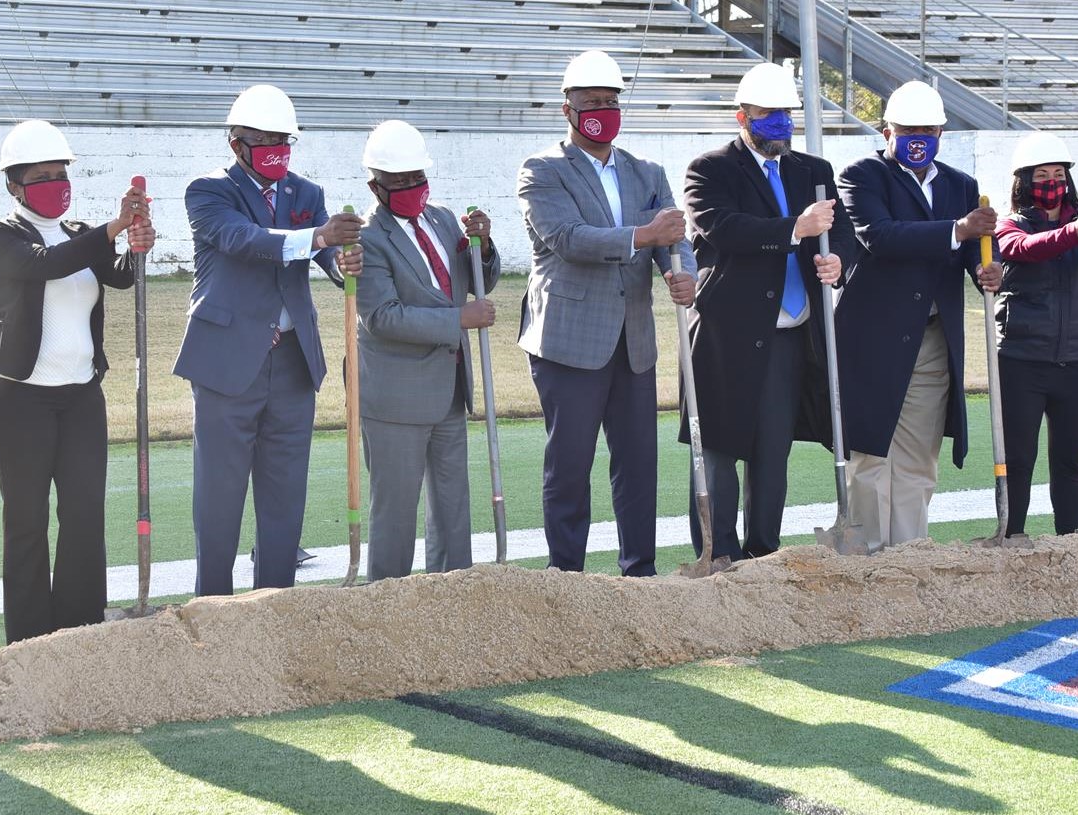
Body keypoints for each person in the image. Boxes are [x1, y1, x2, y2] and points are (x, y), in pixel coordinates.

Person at [177, 85, 364, 596]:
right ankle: (212, 607)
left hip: (293, 359)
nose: (277, 148)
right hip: (226, 361)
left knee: (285, 494)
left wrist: (341, 262)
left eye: (284, 139)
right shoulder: (208, 190)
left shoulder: (306, 194)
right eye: (264, 139)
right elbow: (243, 240)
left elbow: (323, 259)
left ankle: (276, 605)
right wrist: (321, 238)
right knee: (219, 494)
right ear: (236, 144)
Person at [516, 50, 697, 576]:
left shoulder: (647, 171)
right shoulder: (543, 170)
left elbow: (674, 238)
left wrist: (679, 271)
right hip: (569, 340)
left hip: (633, 340)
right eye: (592, 101)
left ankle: (639, 570)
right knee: (570, 465)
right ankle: (566, 575)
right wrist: (647, 236)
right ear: (567, 108)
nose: (603, 110)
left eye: (612, 101)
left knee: (639, 463)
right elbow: (568, 239)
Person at [0, 120, 154, 644]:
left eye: (61, 174)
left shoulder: (79, 235)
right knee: (26, 520)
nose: (56, 184)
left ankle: (78, 632)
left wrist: (137, 241)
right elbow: (45, 266)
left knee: (83, 517)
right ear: (15, 186)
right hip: (16, 399)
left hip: (80, 395)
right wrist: (114, 228)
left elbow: (118, 273)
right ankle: (30, 642)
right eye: (42, 177)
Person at [682, 62, 861, 571]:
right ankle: (717, 555)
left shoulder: (814, 171)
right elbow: (723, 229)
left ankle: (764, 553)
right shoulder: (709, 169)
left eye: (785, 115)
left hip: (790, 334)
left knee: (772, 450)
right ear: (742, 117)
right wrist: (795, 229)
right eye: (767, 116)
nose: (778, 125)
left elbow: (843, 231)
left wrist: (837, 258)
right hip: (726, 333)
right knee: (719, 448)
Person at [835, 81, 1003, 550]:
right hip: (873, 338)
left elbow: (971, 251)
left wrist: (987, 269)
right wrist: (958, 229)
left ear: (941, 134)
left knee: (917, 458)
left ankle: (908, 555)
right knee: (871, 454)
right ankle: (864, 555)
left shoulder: (960, 184)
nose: (918, 138)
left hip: (932, 338)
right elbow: (879, 236)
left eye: (928, 130)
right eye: (909, 129)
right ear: (887, 130)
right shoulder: (862, 175)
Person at [354, 120, 501, 581]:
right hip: (395, 396)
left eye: (417, 177)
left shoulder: (441, 218)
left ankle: (450, 601)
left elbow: (474, 282)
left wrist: (485, 245)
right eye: (399, 182)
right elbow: (383, 316)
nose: (411, 187)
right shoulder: (366, 238)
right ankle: (385, 607)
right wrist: (460, 319)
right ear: (375, 186)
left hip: (449, 389)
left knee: (453, 508)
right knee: (395, 514)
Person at [994, 132, 1078, 536]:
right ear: (1025, 181)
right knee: (1019, 458)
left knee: (1070, 460)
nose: (1051, 182)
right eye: (1042, 175)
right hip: (1021, 361)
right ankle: (1013, 536)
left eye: (1059, 174)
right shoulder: (1008, 224)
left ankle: (1070, 540)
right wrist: (1073, 235)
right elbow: (1026, 248)